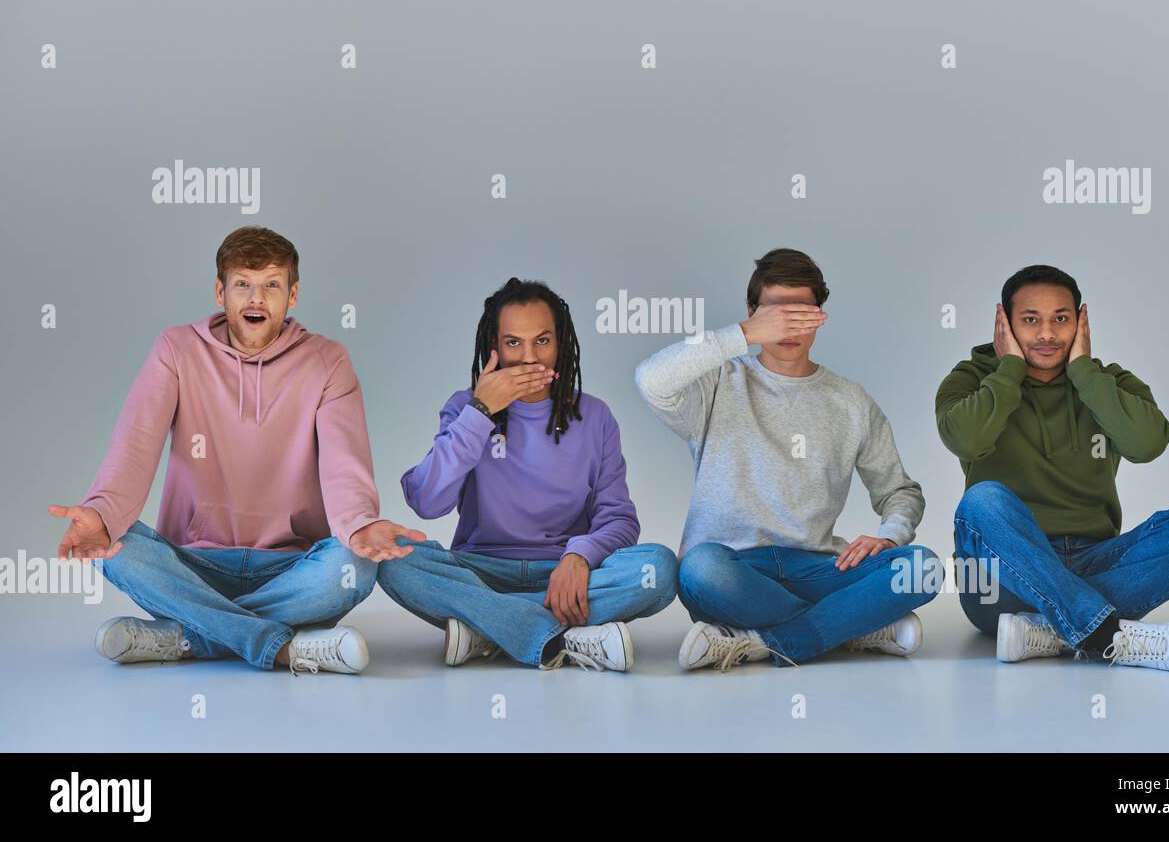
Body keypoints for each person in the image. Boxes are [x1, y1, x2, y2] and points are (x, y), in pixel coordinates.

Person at [53, 225, 419, 675]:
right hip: (196, 562)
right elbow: (136, 443)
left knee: (356, 565)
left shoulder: (328, 361)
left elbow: (346, 463)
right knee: (117, 546)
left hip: (291, 566)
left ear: (293, 295)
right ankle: (283, 648)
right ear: (220, 291)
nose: (256, 299)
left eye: (271, 286)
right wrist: (103, 512)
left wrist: (360, 525)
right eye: (243, 284)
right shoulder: (177, 350)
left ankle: (188, 635)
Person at [636, 248, 935, 672]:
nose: (788, 327)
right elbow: (650, 379)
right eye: (775, 314)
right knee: (699, 568)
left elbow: (899, 491)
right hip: (735, 571)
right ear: (752, 313)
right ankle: (848, 627)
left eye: (802, 313)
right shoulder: (718, 384)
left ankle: (770, 640)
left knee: (921, 568)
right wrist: (743, 334)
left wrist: (889, 536)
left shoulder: (850, 401)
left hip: (819, 569)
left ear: (821, 315)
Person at [935, 264, 1169, 671]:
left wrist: (1084, 373)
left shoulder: (1107, 381)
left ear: (1081, 321)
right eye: (1030, 320)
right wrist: (1010, 371)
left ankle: (1046, 631)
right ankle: (1106, 635)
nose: (1047, 334)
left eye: (1061, 319)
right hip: (1002, 579)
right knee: (981, 501)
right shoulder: (971, 380)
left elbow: (1148, 445)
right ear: (1004, 323)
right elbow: (967, 440)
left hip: (1094, 557)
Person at [378, 277, 677, 672]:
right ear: (495, 347)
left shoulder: (595, 416)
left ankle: (486, 628)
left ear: (561, 345)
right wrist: (481, 412)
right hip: (480, 572)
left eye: (542, 341)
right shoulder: (466, 407)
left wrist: (580, 557)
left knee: (658, 568)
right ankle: (560, 634)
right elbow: (426, 501)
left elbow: (619, 519)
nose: (529, 358)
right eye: (513, 342)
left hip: (565, 576)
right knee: (391, 558)